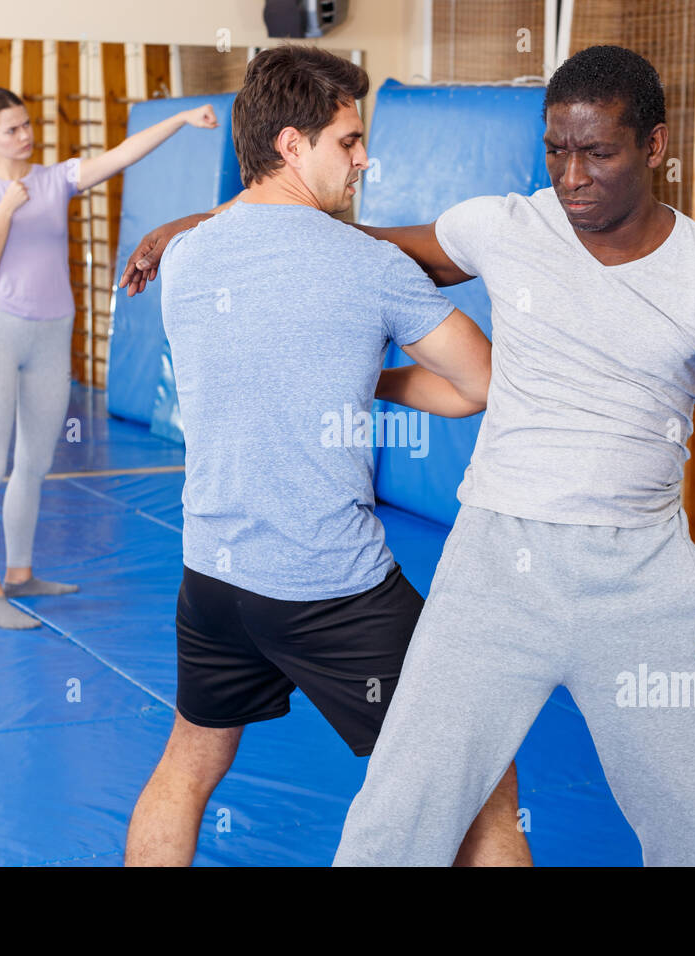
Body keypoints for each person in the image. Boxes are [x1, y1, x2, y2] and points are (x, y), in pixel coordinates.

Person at [326, 45, 695, 866]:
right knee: (398, 817)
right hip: (495, 568)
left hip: (641, 583)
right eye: (557, 150)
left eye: (598, 152)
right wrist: (214, 227)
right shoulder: (507, 226)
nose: (572, 175)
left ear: (654, 146)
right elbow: (353, 253)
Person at [120, 45, 530, 867]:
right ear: (291, 145)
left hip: (214, 575)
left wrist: (350, 376)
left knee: (188, 767)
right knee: (481, 786)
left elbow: (263, 362)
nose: (364, 157)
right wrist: (364, 371)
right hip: (330, 588)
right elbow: (478, 383)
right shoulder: (369, 264)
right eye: (348, 139)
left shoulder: (188, 256)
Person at [0, 87, 218, 630]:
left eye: (27, 125)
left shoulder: (56, 180)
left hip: (52, 337)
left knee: (34, 465)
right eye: (11, 130)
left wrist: (183, 119)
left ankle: (21, 573)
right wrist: (5, 209)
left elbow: (122, 153)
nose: (25, 136)